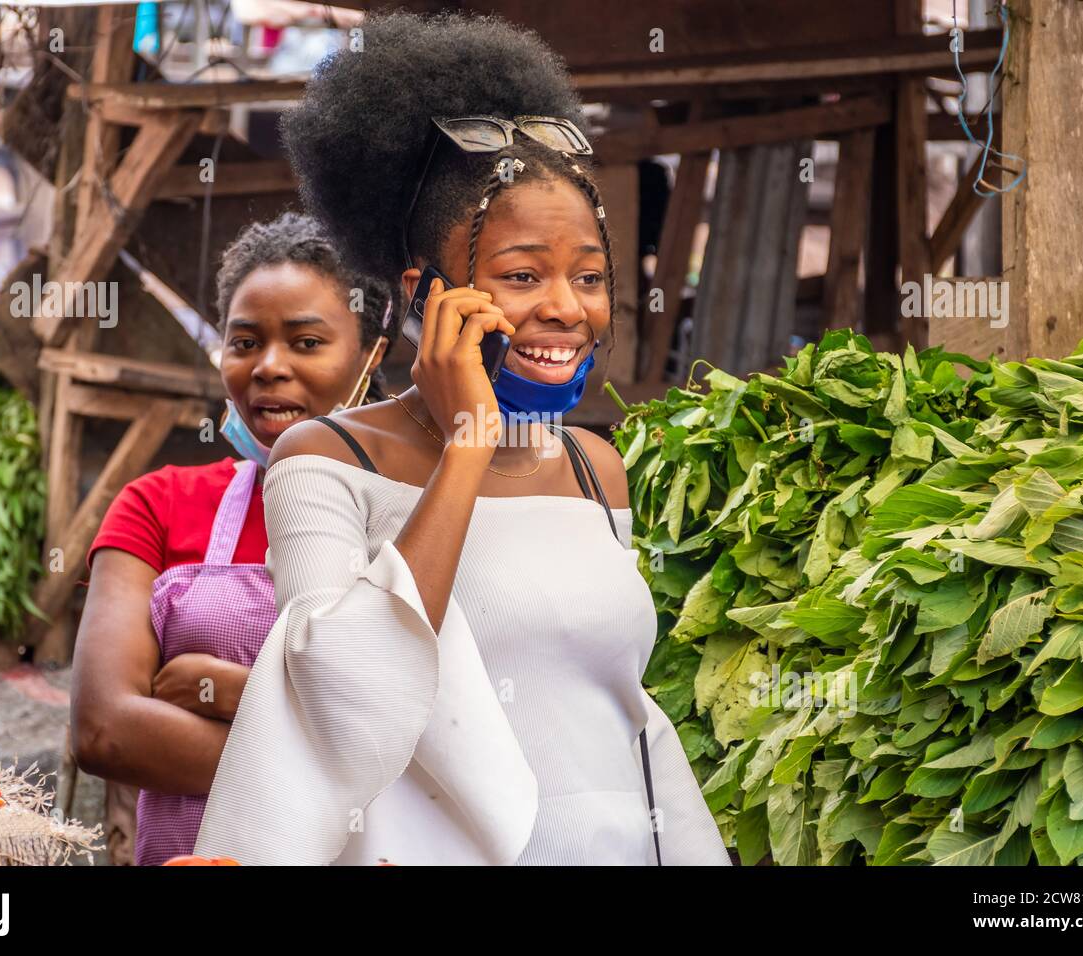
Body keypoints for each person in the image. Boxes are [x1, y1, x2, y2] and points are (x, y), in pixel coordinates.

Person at [194, 11, 731, 866]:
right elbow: (343, 701)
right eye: (521, 276)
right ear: (425, 292)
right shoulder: (328, 463)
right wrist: (468, 442)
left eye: (588, 276)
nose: (565, 307)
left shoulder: (597, 469)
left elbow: (618, 713)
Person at [70, 212, 393, 866]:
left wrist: (232, 691)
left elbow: (433, 744)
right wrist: (334, 755)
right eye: (244, 342)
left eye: (306, 342)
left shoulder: (414, 515)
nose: (268, 367)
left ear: (371, 356)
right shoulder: (157, 505)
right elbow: (104, 732)